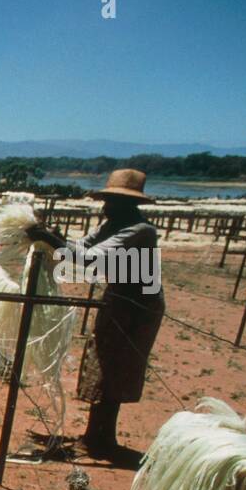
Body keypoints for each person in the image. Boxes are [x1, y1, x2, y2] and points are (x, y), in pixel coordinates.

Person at [26, 169, 162, 460]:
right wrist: (55, 238)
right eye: (106, 200)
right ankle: (95, 434)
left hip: (137, 307)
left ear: (128, 204)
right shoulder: (112, 224)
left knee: (118, 367)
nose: (105, 207)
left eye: (111, 201)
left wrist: (52, 240)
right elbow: (82, 246)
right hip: (117, 298)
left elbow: (90, 259)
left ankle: (104, 438)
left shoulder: (140, 230)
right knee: (101, 362)